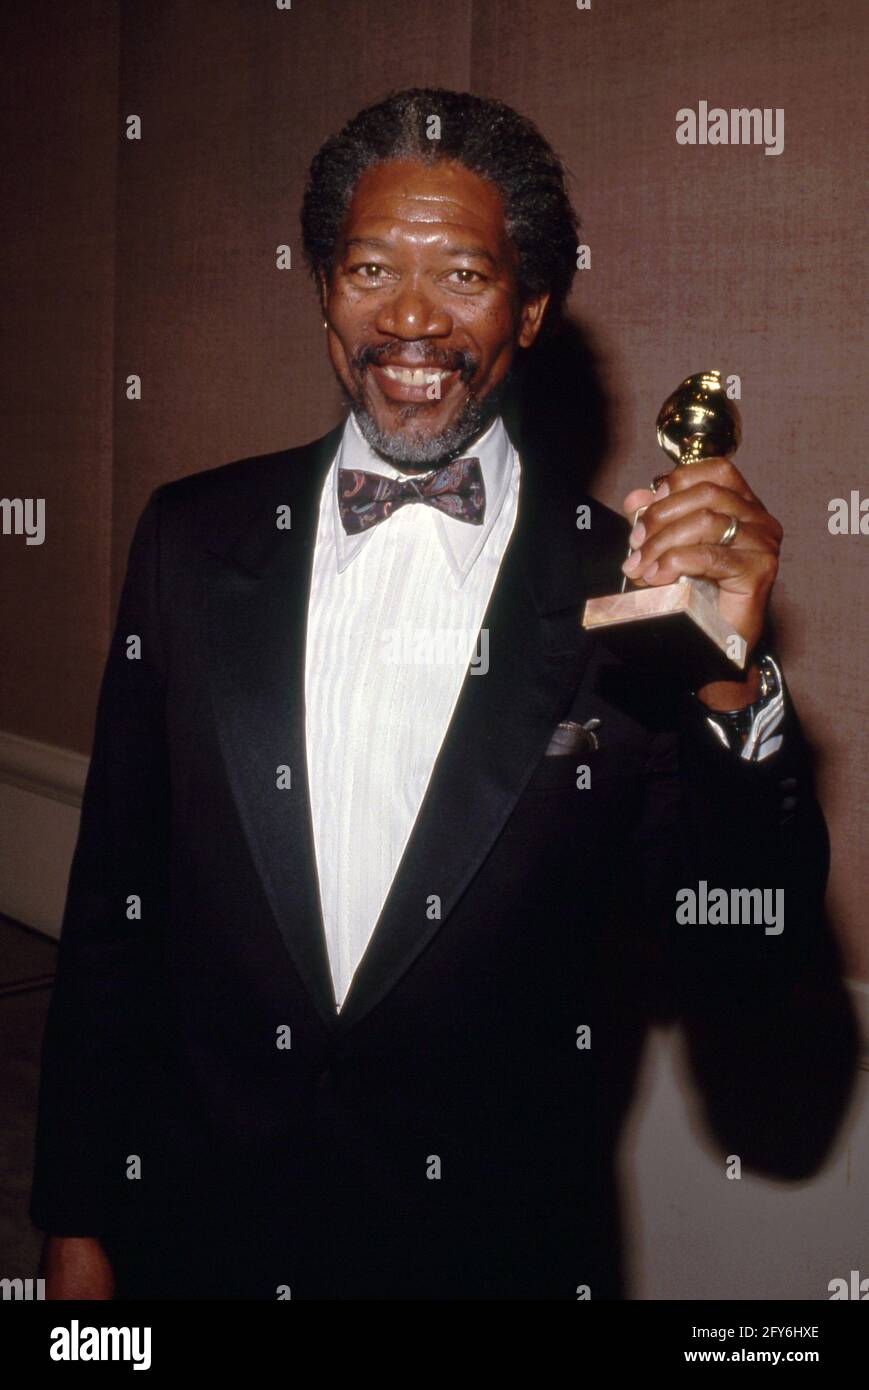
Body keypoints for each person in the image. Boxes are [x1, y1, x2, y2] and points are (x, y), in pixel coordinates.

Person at [31, 88, 844, 1300]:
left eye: (462, 275)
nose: (408, 317)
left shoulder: (620, 594)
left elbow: (739, 951)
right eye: (368, 268)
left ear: (530, 306)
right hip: (196, 1241)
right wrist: (76, 1214)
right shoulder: (189, 540)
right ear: (322, 289)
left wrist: (725, 676)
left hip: (487, 1259)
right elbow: (114, 908)